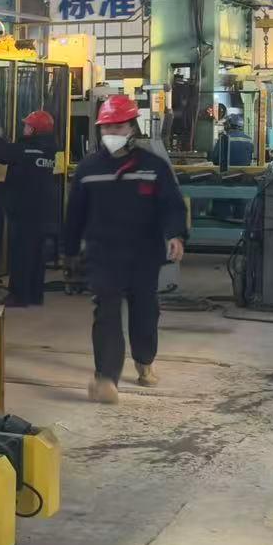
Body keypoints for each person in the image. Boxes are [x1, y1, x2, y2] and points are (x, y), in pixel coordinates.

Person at [62, 93, 188, 404]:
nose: (111, 133)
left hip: (144, 254)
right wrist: (69, 250)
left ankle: (144, 360)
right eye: (106, 128)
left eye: (117, 127)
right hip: (103, 254)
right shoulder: (89, 169)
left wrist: (175, 235)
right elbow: (75, 213)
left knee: (144, 310)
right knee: (105, 313)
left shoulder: (153, 167)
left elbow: (171, 205)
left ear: (132, 127)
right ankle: (106, 378)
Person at [0, 108, 61, 307]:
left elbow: (0, 153)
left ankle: (18, 295)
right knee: (37, 255)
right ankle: (35, 295)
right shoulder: (48, 151)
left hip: (24, 211)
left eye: (28, 126)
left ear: (34, 130)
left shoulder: (27, 150)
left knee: (21, 253)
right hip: (42, 211)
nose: (25, 128)